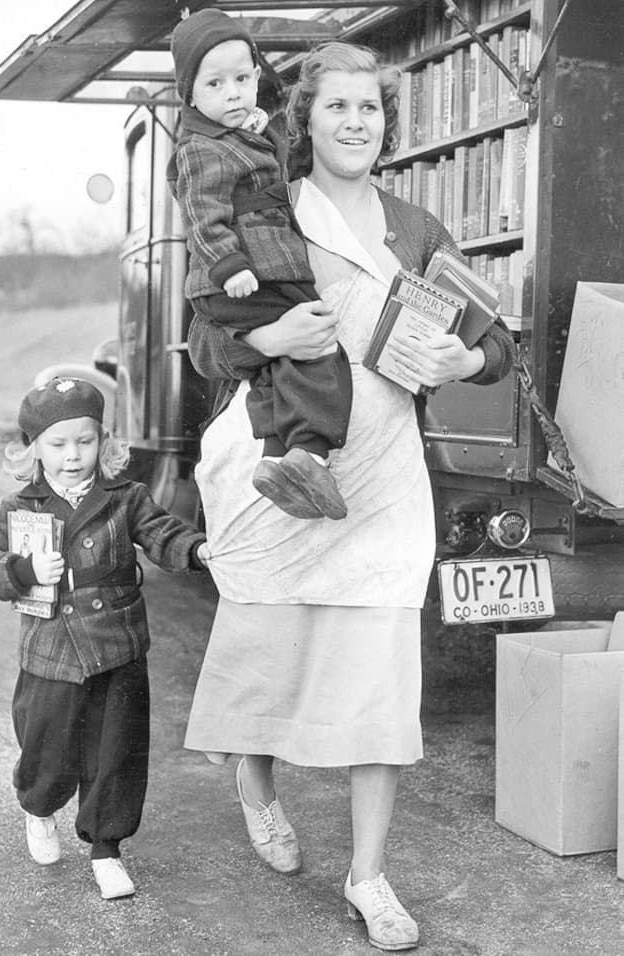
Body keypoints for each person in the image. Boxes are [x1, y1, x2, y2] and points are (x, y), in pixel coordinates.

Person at [183, 42, 515, 952]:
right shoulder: (265, 209)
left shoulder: (417, 230)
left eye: (371, 108)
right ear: (306, 121)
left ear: (387, 124)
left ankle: (369, 875)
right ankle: (255, 783)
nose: (356, 122)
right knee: (266, 651)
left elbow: (501, 348)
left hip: (382, 475)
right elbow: (210, 346)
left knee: (379, 684)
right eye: (338, 107)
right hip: (279, 468)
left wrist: (465, 357)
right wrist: (271, 335)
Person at [0, 377, 209, 901]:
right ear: (34, 450)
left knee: (116, 751)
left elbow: (163, 532)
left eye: (86, 440)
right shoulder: (20, 506)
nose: (73, 456)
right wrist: (24, 568)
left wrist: (196, 550)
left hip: (117, 647)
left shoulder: (127, 498)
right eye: (57, 444)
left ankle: (106, 848)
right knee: (47, 752)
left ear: (104, 442)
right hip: (51, 652)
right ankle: (38, 806)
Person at [167, 7, 352, 521]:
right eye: (216, 83)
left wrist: (258, 131)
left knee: (282, 364)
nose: (234, 93)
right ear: (191, 95)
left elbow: (271, 172)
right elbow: (202, 215)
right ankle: (308, 455)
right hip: (248, 274)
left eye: (244, 79)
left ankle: (277, 460)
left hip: (257, 271)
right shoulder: (199, 148)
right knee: (319, 349)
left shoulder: (239, 137)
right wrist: (229, 266)